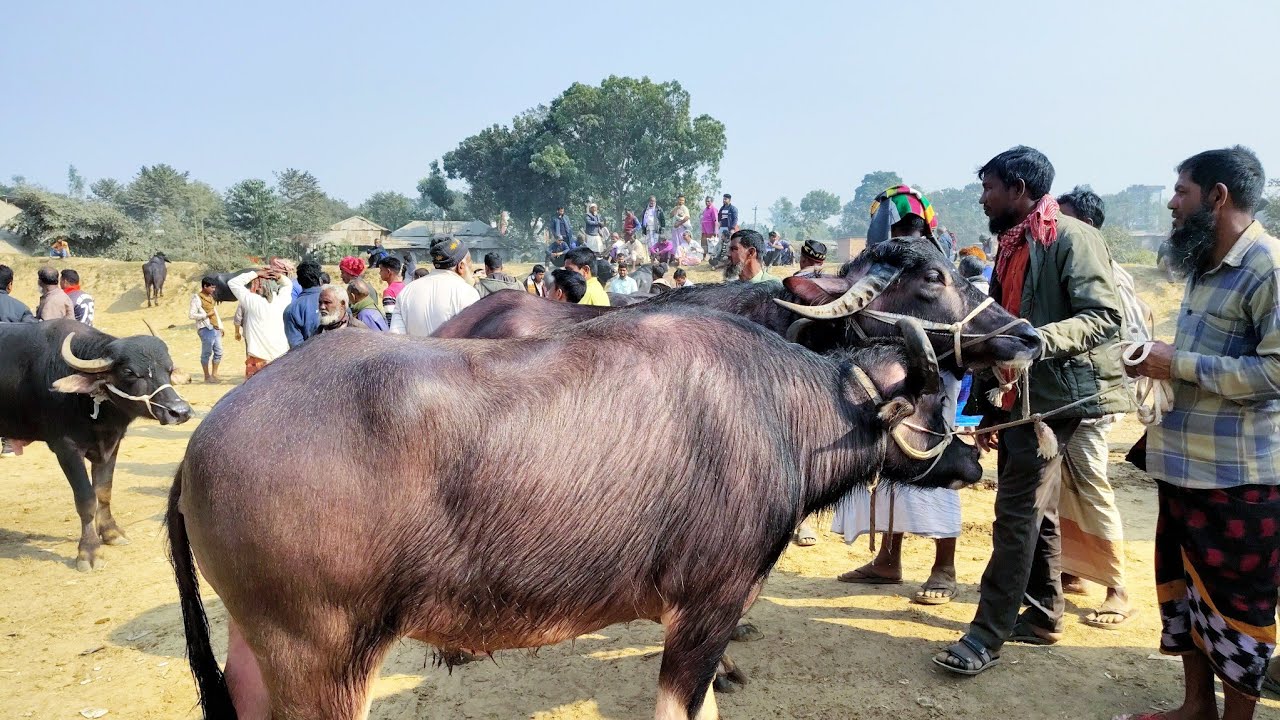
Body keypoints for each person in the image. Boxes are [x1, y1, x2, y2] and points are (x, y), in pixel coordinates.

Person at [935, 146, 1134, 676]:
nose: (983, 199)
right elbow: (996, 326)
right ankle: (1044, 613)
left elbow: (1103, 316)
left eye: (990, 188)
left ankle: (987, 632)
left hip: (1057, 398)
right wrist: (987, 405)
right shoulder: (1013, 244)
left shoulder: (1072, 237)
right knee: (1036, 506)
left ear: (1019, 188)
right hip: (1023, 399)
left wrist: (1034, 342)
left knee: (1017, 509)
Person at [1121, 146, 1279, 720]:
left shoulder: (1269, 268)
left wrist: (1175, 364)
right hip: (1182, 463)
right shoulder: (1204, 266)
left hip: (1238, 475)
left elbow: (1277, 372)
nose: (1172, 202)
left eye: (1182, 191)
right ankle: (1195, 706)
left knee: (1238, 604)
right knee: (1185, 592)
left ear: (1218, 197)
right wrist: (1152, 361)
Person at [832, 186, 961, 599]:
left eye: (914, 225)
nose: (908, 232)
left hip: (932, 383)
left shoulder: (937, 272)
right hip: (886, 380)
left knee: (933, 464)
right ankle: (888, 560)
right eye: (899, 226)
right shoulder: (876, 272)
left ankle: (945, 565)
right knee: (889, 470)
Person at [1054, 185, 1139, 629]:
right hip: (1067, 399)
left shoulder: (1109, 274)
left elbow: (1130, 341)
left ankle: (1118, 588)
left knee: (1091, 485)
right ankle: (1074, 570)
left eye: (1063, 220)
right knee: (1065, 486)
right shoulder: (1069, 270)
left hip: (1092, 401)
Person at [391, 236, 480, 336]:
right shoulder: (467, 293)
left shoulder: (406, 292)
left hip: (413, 351)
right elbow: (473, 342)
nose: (472, 271)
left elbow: (396, 338)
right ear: (461, 266)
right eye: (470, 265)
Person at [227, 267, 293, 377]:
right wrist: (279, 276)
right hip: (281, 357)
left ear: (259, 287)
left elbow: (233, 282)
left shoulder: (253, 301)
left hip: (258, 359)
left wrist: (255, 274)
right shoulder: (283, 300)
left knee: (254, 393)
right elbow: (288, 285)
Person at [0, 264, 34, 457]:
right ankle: (9, 444)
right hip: (10, 368)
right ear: (10, 285)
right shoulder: (20, 308)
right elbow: (33, 336)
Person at [189, 276, 224, 382]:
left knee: (219, 351)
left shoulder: (211, 297)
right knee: (207, 353)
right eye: (212, 287)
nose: (213, 290)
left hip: (214, 327)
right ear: (205, 286)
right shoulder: (197, 298)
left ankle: (214, 374)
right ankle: (207, 376)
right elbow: (191, 315)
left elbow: (215, 312)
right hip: (205, 328)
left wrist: (220, 326)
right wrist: (206, 315)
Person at [283, 260, 325, 348]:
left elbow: (297, 348)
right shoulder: (338, 300)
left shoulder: (291, 310)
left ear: (298, 281)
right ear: (320, 280)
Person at [377, 256, 405, 323]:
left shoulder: (389, 292)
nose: (379, 273)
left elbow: (390, 319)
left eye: (381, 270)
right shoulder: (405, 287)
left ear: (388, 272)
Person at [716, 193, 739, 265]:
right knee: (721, 242)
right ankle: (720, 257)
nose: (724, 200)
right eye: (723, 199)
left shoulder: (733, 208)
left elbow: (735, 219)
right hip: (722, 228)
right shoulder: (722, 208)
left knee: (729, 243)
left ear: (729, 200)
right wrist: (719, 224)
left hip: (729, 228)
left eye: (725, 199)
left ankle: (730, 258)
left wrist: (732, 228)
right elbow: (719, 217)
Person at [700, 196, 719, 262]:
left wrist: (715, 231)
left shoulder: (713, 209)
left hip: (711, 230)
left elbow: (715, 221)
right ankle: (704, 257)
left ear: (711, 202)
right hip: (704, 230)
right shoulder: (705, 210)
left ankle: (712, 258)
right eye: (706, 201)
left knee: (711, 244)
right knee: (703, 243)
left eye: (708, 201)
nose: (707, 202)